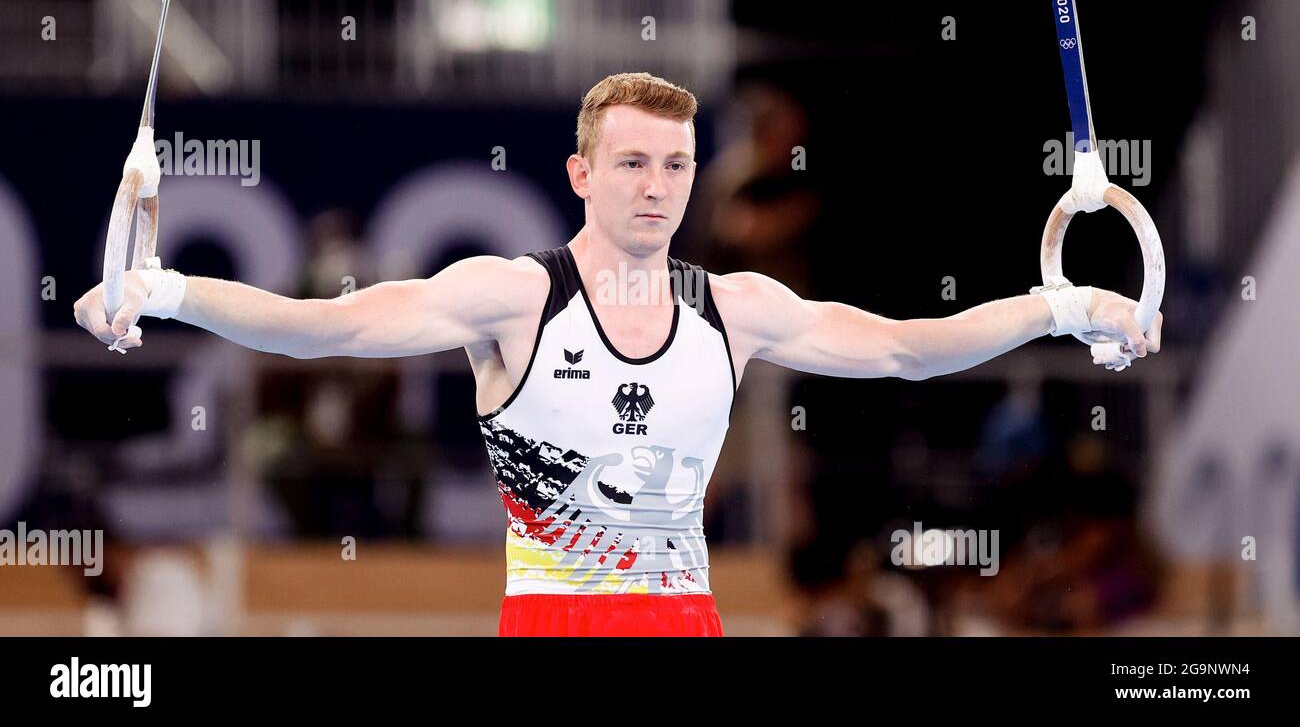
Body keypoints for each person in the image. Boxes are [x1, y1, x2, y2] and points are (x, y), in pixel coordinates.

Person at [73, 72, 1162, 637]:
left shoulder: (735, 307)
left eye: (675, 165)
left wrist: (1056, 307)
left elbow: (905, 349)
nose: (656, 186)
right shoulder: (515, 297)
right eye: (632, 162)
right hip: (554, 617)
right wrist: (163, 290)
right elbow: (326, 328)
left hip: (685, 619)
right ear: (581, 174)